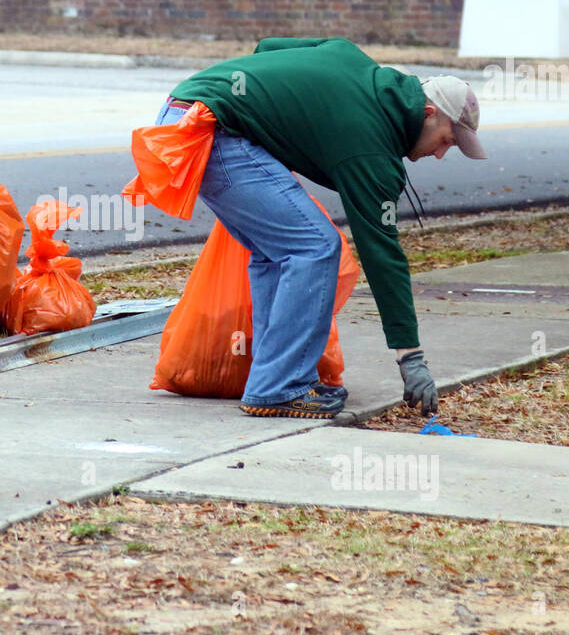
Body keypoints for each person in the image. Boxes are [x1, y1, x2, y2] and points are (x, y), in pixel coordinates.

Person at [153, 36, 486, 421]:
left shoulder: (350, 56)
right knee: (316, 247)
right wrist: (410, 355)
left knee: (275, 252)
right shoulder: (369, 148)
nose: (443, 154)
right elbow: (383, 256)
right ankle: (280, 388)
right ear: (428, 112)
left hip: (183, 113)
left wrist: (271, 114)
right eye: (447, 140)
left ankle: (271, 379)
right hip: (209, 129)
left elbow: (268, 48)